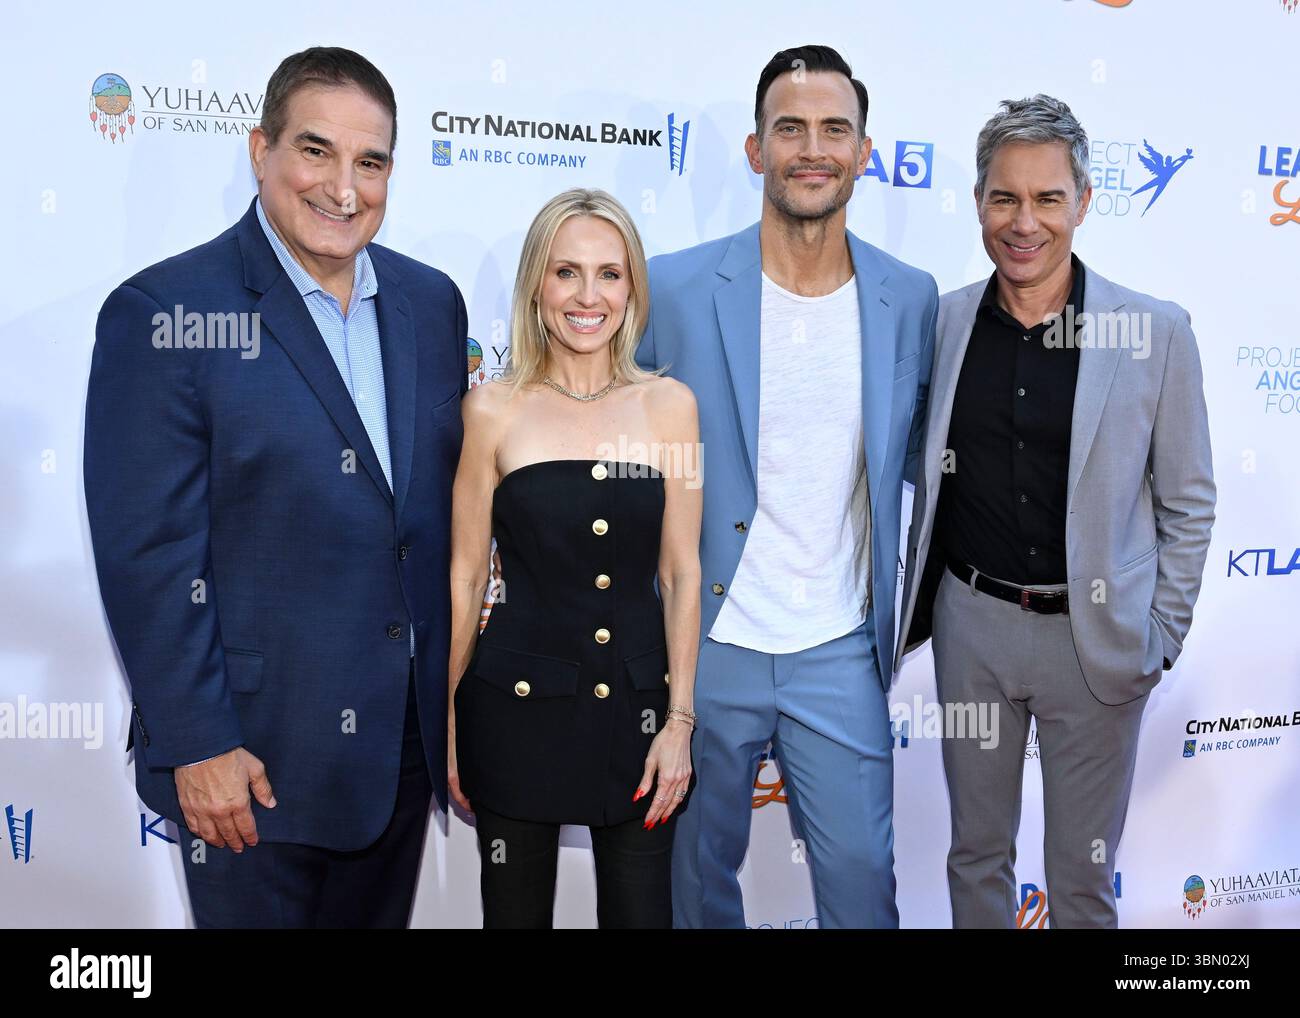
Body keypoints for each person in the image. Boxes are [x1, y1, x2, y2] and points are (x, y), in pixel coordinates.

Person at [83, 47, 468, 928]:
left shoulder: (430, 302)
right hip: (249, 764)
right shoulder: (167, 311)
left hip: (397, 756)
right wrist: (199, 742)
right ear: (261, 151)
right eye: (316, 150)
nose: (344, 187)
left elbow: (428, 518)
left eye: (370, 162)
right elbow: (147, 553)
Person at [636, 45, 938, 928]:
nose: (814, 148)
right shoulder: (676, 287)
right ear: (754, 149)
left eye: (834, 129)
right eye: (791, 128)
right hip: (705, 640)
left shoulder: (908, 297)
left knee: (859, 888)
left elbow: (927, 455)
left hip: (840, 647)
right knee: (692, 888)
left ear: (866, 151)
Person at [896, 95, 1215, 928]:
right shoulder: (944, 322)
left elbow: (1189, 501)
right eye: (1004, 197)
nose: (1023, 221)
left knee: (1080, 879)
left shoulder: (1156, 332)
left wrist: (1161, 636)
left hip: (1097, 643)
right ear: (977, 204)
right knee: (976, 859)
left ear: (1082, 201)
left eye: (1046, 198)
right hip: (973, 630)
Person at [448, 188, 701, 929]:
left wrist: (680, 721)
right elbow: (465, 580)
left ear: (633, 287)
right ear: (536, 284)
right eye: (566, 273)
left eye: (609, 274)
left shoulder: (671, 407)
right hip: (513, 716)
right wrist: (448, 723)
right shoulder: (490, 410)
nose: (588, 297)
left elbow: (682, 573)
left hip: (642, 723)